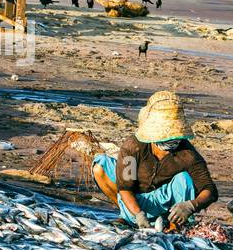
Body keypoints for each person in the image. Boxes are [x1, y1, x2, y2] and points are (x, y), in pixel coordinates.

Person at [91, 91, 219, 229]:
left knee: (185, 179)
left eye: (174, 137)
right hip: (136, 196)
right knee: (101, 165)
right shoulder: (133, 147)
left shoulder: (188, 154)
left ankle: (173, 223)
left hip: (164, 201)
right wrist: (138, 214)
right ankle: (128, 215)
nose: (171, 141)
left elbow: (209, 190)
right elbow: (125, 188)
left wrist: (191, 206)